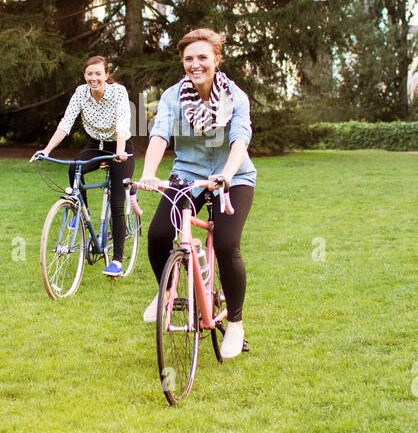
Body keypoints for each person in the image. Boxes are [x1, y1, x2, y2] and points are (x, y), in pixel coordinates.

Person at [140, 29, 255, 359]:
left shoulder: (236, 96)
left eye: (203, 57)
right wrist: (149, 173)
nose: (195, 64)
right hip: (188, 176)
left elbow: (239, 141)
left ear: (217, 60)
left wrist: (227, 175)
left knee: (226, 244)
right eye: (189, 59)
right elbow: (160, 135)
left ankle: (234, 323)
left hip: (232, 176)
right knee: (159, 234)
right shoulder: (172, 97)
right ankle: (167, 293)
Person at [35, 56, 135, 277]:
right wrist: (47, 150)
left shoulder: (118, 92)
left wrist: (119, 152)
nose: (94, 78)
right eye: (89, 74)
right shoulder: (81, 92)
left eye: (98, 73)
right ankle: (82, 212)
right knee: (74, 168)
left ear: (106, 75)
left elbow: (122, 124)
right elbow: (66, 123)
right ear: (84, 76)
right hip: (94, 145)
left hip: (119, 147)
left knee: (117, 204)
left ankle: (117, 261)